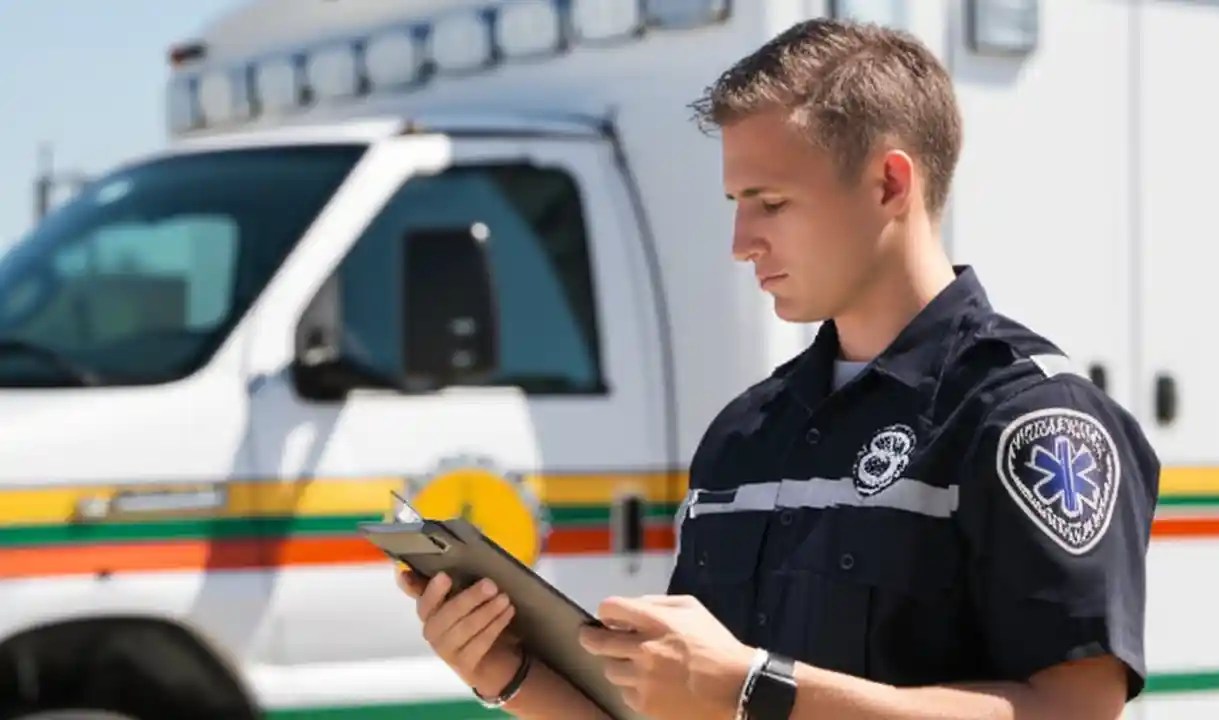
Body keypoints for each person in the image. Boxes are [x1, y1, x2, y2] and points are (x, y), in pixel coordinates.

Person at [395, 17, 1161, 720]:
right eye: (737, 201)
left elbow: (1075, 713)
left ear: (890, 185)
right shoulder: (745, 433)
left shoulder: (1029, 419)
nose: (741, 242)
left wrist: (756, 687)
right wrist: (512, 675)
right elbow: (687, 710)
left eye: (770, 202)